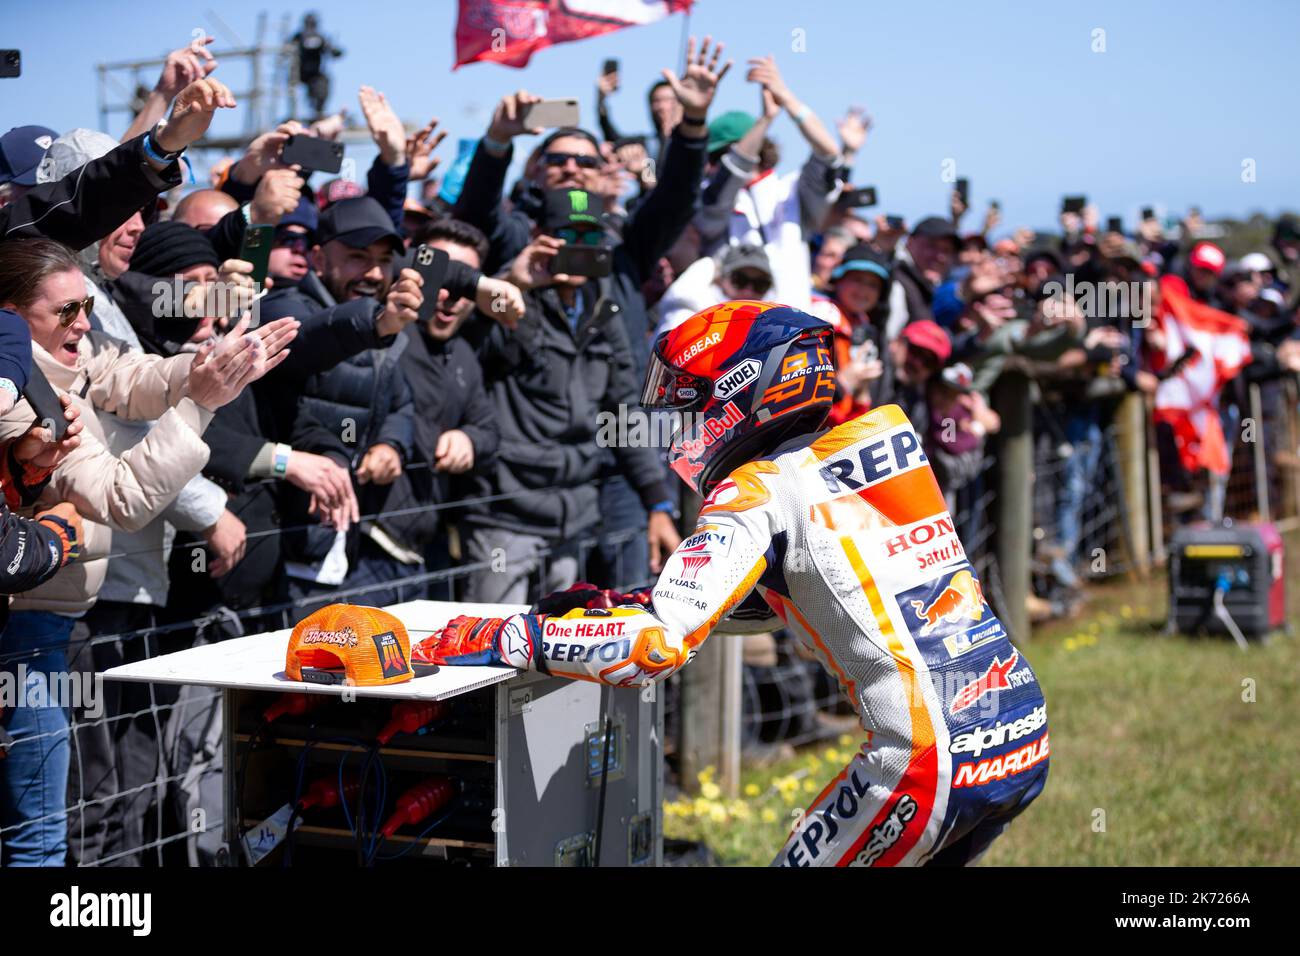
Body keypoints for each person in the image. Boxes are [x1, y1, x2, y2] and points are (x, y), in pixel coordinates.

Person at [416, 299, 1049, 867]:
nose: (681, 429)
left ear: (742, 390)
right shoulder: (883, 446)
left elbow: (654, 648)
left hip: (929, 755)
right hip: (1018, 723)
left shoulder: (758, 489)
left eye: (689, 404)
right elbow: (803, 593)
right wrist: (628, 601)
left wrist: (507, 636)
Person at [0, 237, 295, 866]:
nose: (84, 321)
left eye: (85, 305)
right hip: (22, 632)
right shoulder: (26, 403)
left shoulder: (58, 369)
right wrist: (202, 405)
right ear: (8, 314)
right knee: (39, 838)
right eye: (66, 312)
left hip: (45, 624)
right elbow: (124, 496)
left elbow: (126, 375)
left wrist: (203, 370)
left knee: (49, 825)